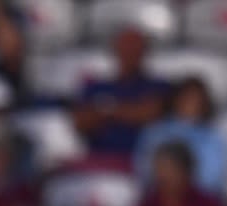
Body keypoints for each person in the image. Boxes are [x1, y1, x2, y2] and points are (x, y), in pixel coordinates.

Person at [70, 26, 170, 169]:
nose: (130, 53)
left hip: (146, 165)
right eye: (125, 47)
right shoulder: (95, 87)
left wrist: (105, 110)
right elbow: (81, 122)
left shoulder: (158, 86)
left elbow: (150, 113)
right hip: (101, 163)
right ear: (115, 51)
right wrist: (129, 111)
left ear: (145, 52)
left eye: (136, 48)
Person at [133, 76, 227, 194]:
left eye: (197, 99)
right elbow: (144, 168)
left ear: (205, 103)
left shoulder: (213, 138)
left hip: (198, 200)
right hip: (161, 197)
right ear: (176, 99)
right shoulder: (155, 132)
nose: (191, 103)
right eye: (187, 97)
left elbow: (212, 177)